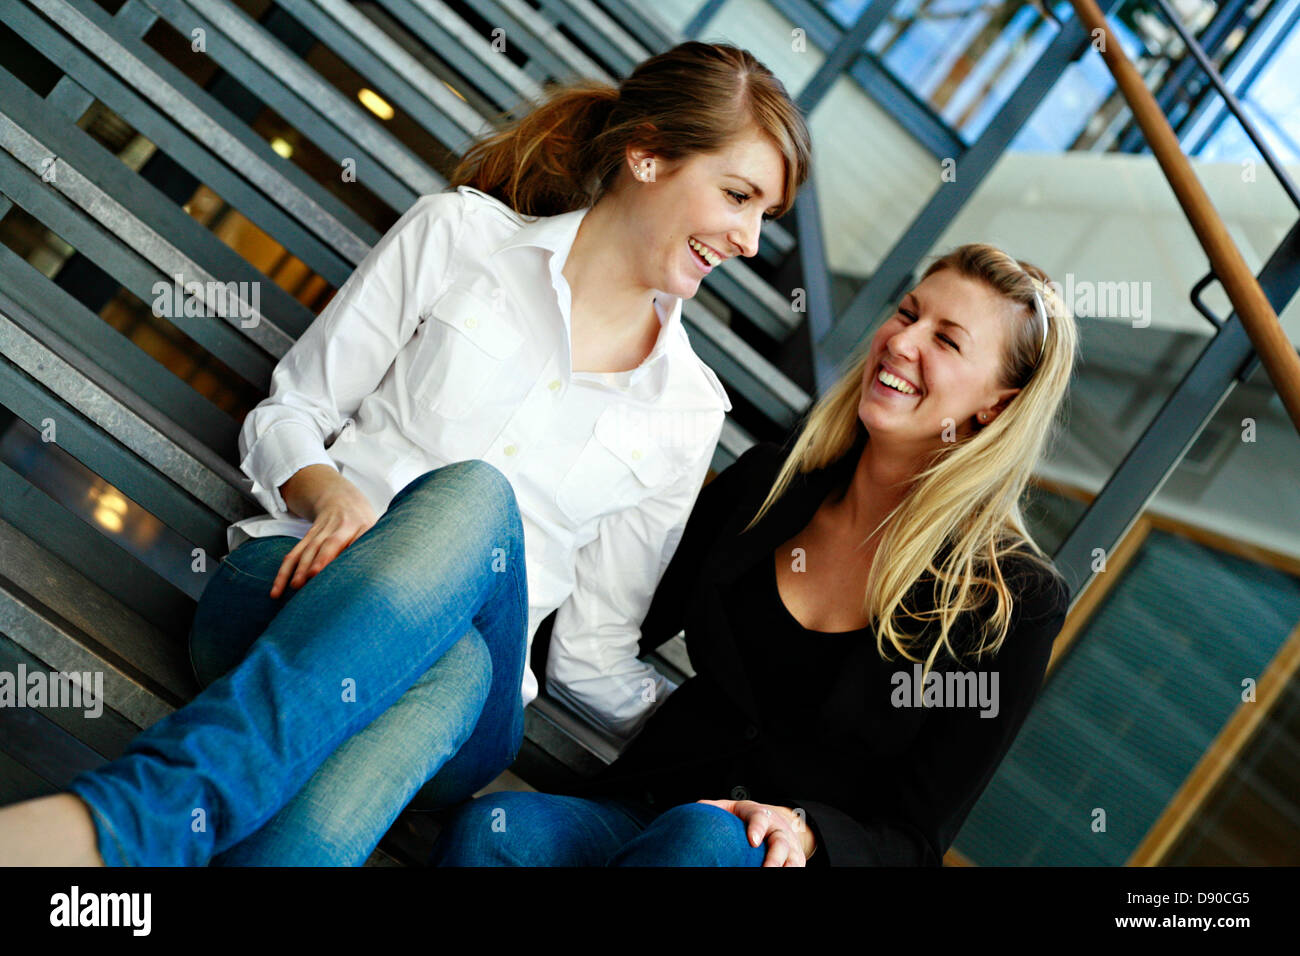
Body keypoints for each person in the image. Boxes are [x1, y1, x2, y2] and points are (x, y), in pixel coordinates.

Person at [0, 41, 810, 866]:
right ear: (647, 154)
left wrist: (750, 767)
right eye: (738, 196)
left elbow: (589, 655)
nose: (747, 239)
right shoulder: (459, 238)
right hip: (291, 588)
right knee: (451, 632)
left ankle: (136, 821)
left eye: (765, 217)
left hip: (471, 724)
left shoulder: (687, 407)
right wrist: (329, 494)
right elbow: (293, 412)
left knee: (469, 558)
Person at [429, 243, 1077, 866]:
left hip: (774, 858)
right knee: (496, 831)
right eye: (908, 313)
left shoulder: (1011, 601)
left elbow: (914, 839)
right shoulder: (769, 484)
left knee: (703, 840)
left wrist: (806, 828)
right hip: (647, 812)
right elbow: (614, 622)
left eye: (947, 339)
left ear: (998, 403)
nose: (903, 342)